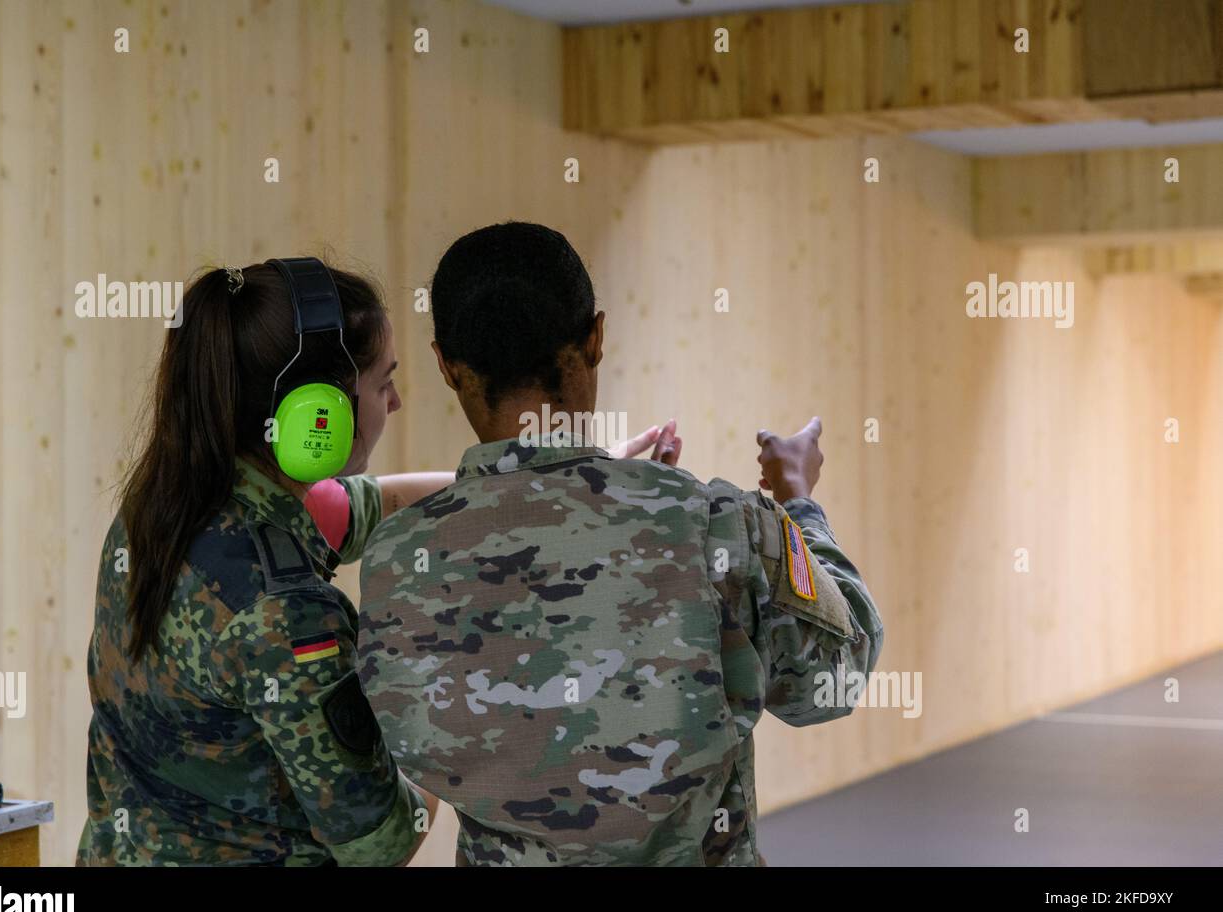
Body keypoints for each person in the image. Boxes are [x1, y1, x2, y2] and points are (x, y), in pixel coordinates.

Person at [356, 222, 885, 866]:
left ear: (445, 364)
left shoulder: (397, 560)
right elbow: (835, 676)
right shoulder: (717, 522)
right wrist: (797, 505)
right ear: (596, 338)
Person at [78, 259, 453, 866]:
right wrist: (448, 698)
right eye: (383, 382)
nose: (397, 400)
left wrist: (522, 477)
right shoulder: (286, 612)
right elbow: (383, 840)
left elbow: (368, 504)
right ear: (318, 413)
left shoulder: (162, 507)